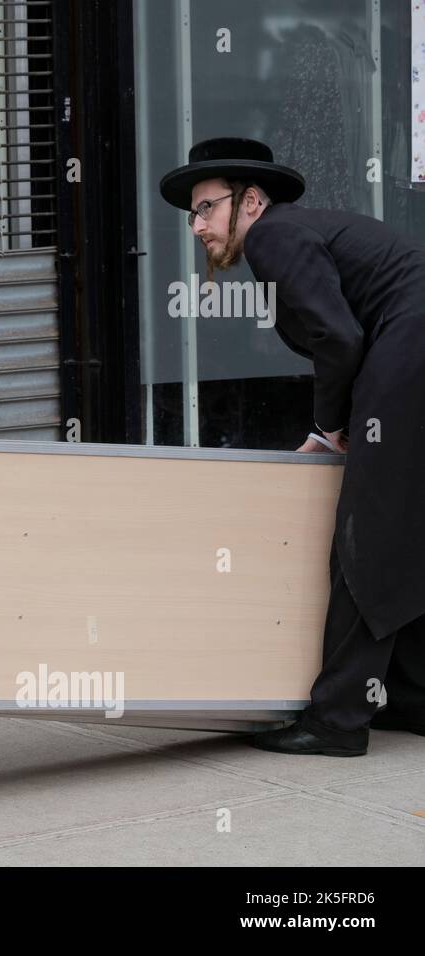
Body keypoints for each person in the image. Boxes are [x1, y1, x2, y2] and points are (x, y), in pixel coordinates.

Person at [160, 137, 425, 756]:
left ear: (251, 202)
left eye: (207, 208)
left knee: (368, 536)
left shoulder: (274, 235)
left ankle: (336, 720)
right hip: (409, 353)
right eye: (191, 214)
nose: (197, 226)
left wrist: (326, 428)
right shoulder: (297, 233)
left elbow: (337, 339)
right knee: (406, 531)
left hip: (409, 351)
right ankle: (411, 696)